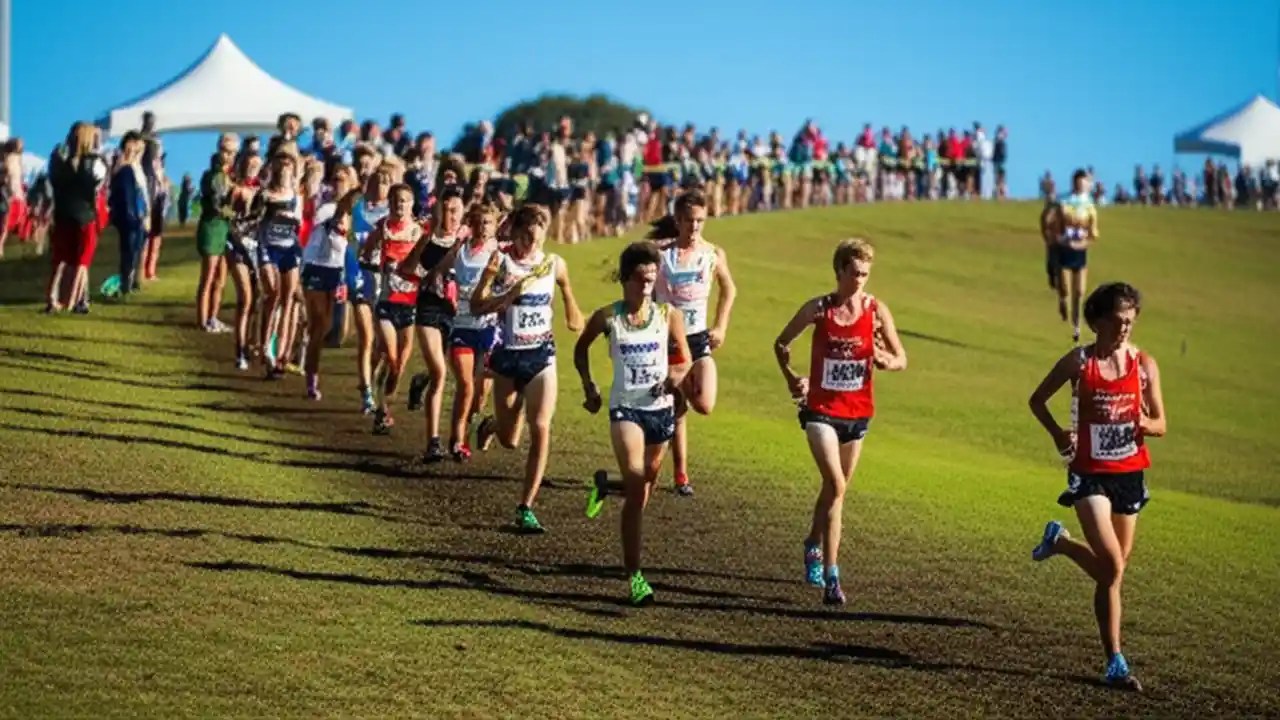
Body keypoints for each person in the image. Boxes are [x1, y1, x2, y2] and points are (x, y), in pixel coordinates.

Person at [1027, 282, 1166, 691]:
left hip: (1129, 475)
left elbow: (1161, 423)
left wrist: (1144, 424)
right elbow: (1037, 400)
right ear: (1099, 321)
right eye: (1118, 321)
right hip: (1089, 473)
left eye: (1130, 321)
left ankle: (1062, 543)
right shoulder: (1078, 362)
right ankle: (1116, 661)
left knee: (1112, 574)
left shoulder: (1144, 365)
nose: (1125, 328)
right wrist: (1056, 433)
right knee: (1113, 566)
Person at [772, 238, 907, 604]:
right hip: (820, 411)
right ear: (839, 272)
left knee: (836, 490)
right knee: (836, 484)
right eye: (855, 273)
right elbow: (781, 344)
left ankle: (813, 542)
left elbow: (901, 359)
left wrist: (882, 358)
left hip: (857, 414)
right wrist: (791, 377)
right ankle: (833, 577)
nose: (861, 280)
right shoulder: (819, 309)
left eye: (865, 273)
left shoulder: (876, 311)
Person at [576, 241, 692, 606]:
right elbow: (581, 349)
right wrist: (590, 387)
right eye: (641, 279)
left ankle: (605, 486)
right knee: (637, 480)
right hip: (625, 409)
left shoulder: (668, 315)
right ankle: (635, 576)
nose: (646, 286)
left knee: (642, 490)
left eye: (651, 280)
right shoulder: (608, 317)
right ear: (625, 279)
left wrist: (674, 376)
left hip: (660, 410)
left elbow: (685, 358)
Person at [470, 204, 584, 533]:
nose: (531, 246)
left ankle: (525, 507)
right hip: (507, 357)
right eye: (525, 238)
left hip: (540, 356)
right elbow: (477, 305)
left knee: (541, 427)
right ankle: (493, 425)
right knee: (509, 440)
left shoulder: (553, 264)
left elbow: (568, 297)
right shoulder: (500, 262)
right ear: (515, 234)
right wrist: (503, 297)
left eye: (537, 238)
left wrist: (573, 314)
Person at [651, 190, 736, 495]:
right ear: (677, 220)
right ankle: (680, 476)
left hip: (698, 339)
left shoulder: (713, 254)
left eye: (701, 220)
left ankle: (677, 382)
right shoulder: (661, 254)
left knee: (704, 403)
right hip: (666, 341)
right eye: (689, 220)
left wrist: (721, 326)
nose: (696, 226)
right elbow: (644, 289)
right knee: (677, 410)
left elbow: (729, 290)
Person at [403, 185, 465, 458]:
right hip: (428, 309)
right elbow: (404, 269)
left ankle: (422, 379)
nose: (450, 215)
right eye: (446, 209)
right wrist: (425, 276)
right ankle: (433, 442)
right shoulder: (428, 238)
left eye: (455, 210)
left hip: (457, 313)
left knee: (452, 371)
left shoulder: (467, 240)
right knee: (441, 373)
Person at [363, 183, 422, 434]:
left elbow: (429, 262)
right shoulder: (383, 230)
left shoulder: (419, 232)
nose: (401, 205)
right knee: (392, 356)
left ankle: (384, 403)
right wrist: (377, 263)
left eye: (405, 201)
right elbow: (365, 255)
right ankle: (382, 409)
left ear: (412, 205)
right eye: (397, 200)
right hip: (387, 302)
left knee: (399, 367)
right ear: (390, 204)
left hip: (410, 305)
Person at [300, 168, 359, 400]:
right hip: (317, 266)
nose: (338, 184)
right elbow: (336, 220)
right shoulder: (326, 207)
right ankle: (311, 380)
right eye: (335, 179)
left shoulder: (359, 214)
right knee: (320, 325)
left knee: (335, 331)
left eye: (343, 180)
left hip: (340, 271)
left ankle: (306, 347)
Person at [254, 153, 304, 378]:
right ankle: (265, 345)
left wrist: (293, 221)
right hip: (268, 246)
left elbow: (299, 221)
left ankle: (281, 353)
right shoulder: (264, 195)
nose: (285, 175)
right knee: (272, 295)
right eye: (281, 171)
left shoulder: (295, 195)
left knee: (288, 299)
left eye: (288, 171)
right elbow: (254, 218)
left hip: (289, 248)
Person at [46, 123, 104, 313]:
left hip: (63, 214)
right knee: (82, 261)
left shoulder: (59, 161)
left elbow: (54, 183)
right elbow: (98, 187)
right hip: (85, 216)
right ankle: (75, 300)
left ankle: (53, 298)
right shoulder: (93, 163)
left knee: (61, 259)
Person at [348, 167, 393, 413]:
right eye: (377, 181)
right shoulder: (358, 206)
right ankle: (366, 392)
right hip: (360, 274)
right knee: (366, 336)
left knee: (383, 344)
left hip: (384, 279)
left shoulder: (394, 212)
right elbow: (341, 210)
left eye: (386, 182)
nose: (380, 186)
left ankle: (373, 376)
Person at [196, 147, 236, 333]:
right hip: (212, 228)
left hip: (223, 229)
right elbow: (216, 205)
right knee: (208, 277)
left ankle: (213, 317)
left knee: (220, 278)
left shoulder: (227, 177)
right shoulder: (215, 177)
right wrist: (235, 213)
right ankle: (203, 320)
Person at [1057, 169, 1099, 343]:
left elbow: (1093, 233)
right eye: (1078, 182)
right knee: (1066, 288)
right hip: (1065, 249)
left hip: (1080, 252)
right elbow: (1056, 227)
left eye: (1083, 183)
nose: (1081, 186)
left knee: (1080, 291)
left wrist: (1083, 242)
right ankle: (1062, 300)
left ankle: (1076, 327)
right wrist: (1062, 239)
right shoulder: (1064, 201)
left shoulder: (1089, 205)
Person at [107, 131, 150, 299]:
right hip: (128, 213)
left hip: (138, 211)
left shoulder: (137, 166)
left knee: (136, 249)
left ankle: (130, 282)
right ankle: (125, 283)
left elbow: (143, 191)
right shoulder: (122, 164)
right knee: (128, 249)